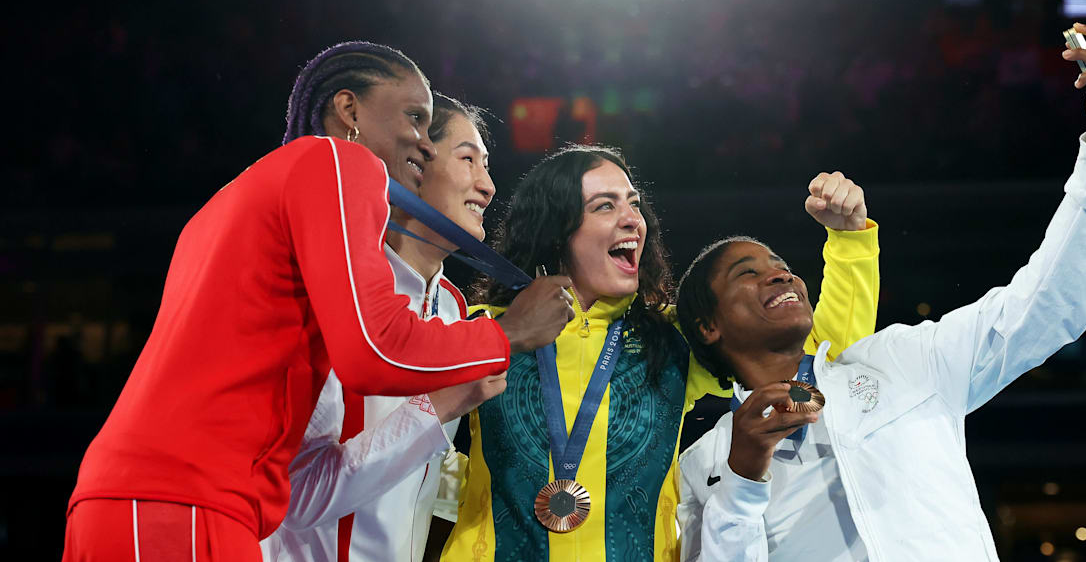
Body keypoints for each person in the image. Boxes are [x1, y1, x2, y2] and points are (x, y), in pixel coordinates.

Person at [63, 43, 573, 562]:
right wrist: (505, 334)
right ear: (349, 111)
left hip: (152, 499)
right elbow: (374, 349)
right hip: (188, 501)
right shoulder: (338, 161)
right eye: (413, 117)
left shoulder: (242, 198)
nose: (422, 143)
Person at [673, 23, 1086, 561]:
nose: (779, 274)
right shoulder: (703, 464)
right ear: (708, 325)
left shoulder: (900, 361)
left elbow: (1043, 306)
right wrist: (743, 479)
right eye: (745, 274)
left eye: (779, 264)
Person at [441, 146, 881, 561]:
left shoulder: (672, 342)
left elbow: (816, 354)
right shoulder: (484, 329)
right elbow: (404, 431)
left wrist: (849, 244)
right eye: (605, 206)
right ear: (555, 230)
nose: (633, 220)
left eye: (634, 204)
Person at [260, 93, 505, 562]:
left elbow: (420, 477)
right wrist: (442, 405)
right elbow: (296, 498)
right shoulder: (336, 291)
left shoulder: (455, 308)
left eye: (487, 164)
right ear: (413, 164)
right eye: (468, 159)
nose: (488, 185)